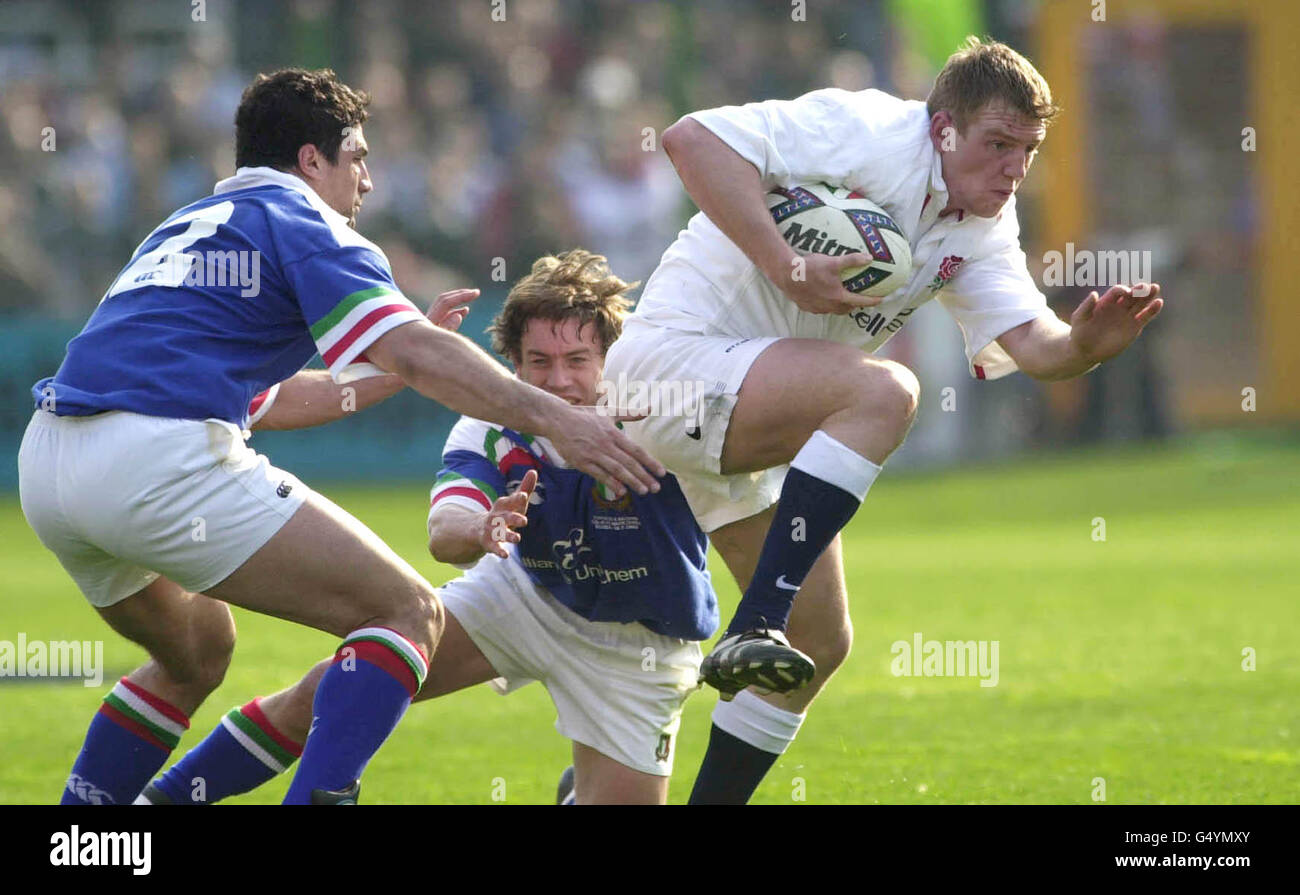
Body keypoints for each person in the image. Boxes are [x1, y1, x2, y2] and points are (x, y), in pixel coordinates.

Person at [18, 68, 662, 806]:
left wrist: (390, 374)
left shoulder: (187, 227)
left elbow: (270, 397)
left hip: (51, 463)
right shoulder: (303, 222)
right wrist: (556, 418)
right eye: (357, 157)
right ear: (309, 160)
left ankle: (83, 843)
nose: (369, 181)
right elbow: (415, 350)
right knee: (409, 613)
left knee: (197, 650)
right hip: (155, 460)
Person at [601, 37, 1165, 804]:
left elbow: (1036, 343)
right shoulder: (867, 129)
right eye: (997, 144)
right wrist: (785, 264)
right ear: (942, 130)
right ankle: (753, 620)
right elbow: (690, 138)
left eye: (1027, 150)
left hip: (747, 417)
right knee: (887, 392)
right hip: (671, 370)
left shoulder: (982, 227)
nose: (1014, 168)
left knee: (821, 642)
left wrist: (1085, 348)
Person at [138, 250, 716, 805]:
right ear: (513, 363)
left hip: (641, 641)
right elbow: (444, 529)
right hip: (522, 596)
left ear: (610, 359)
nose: (558, 381)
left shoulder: (662, 415)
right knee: (332, 690)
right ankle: (162, 800)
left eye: (577, 361)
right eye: (539, 362)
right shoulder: (491, 422)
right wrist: (484, 526)